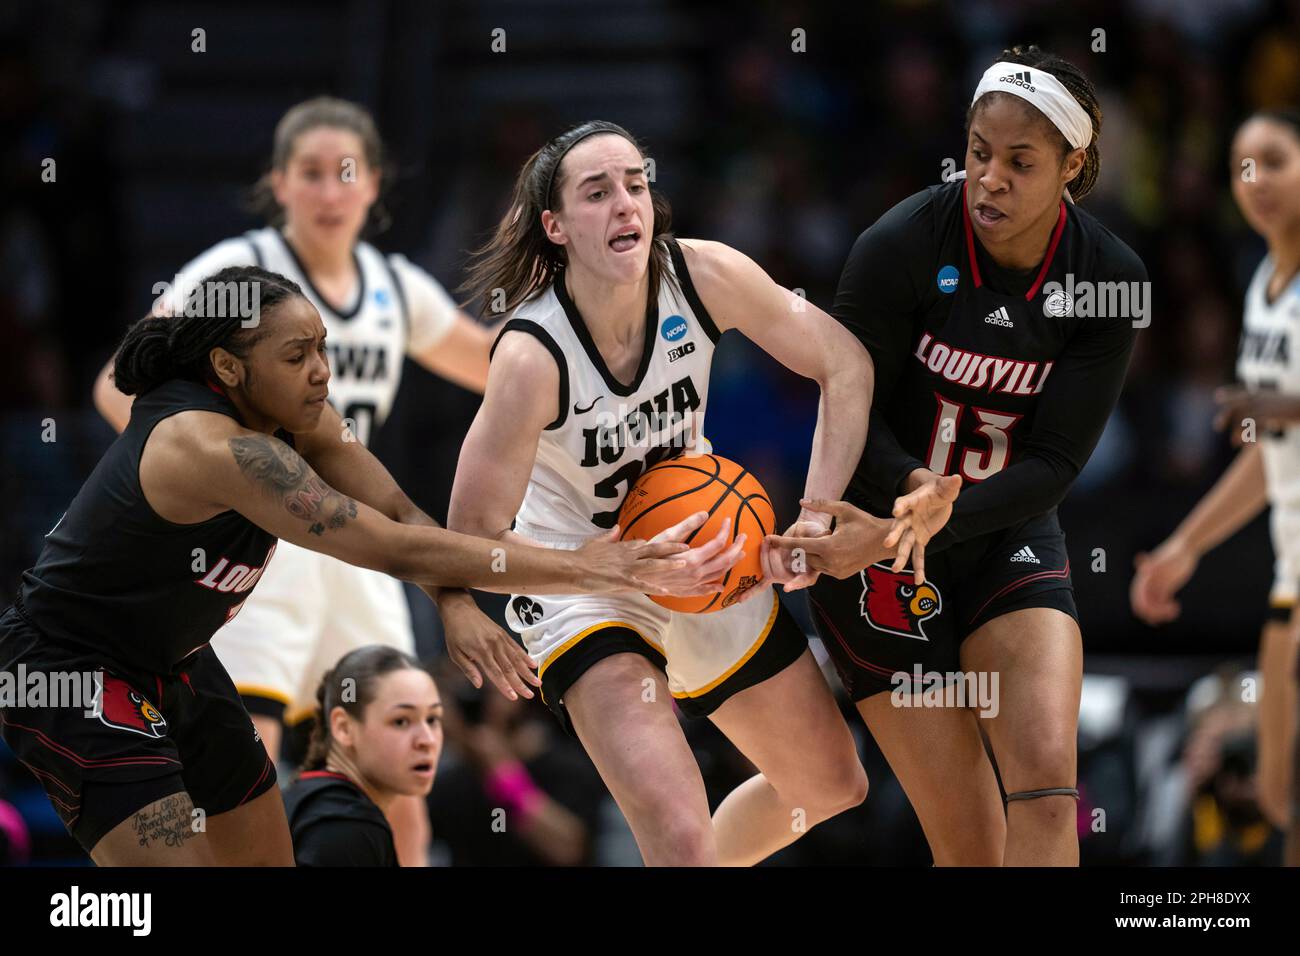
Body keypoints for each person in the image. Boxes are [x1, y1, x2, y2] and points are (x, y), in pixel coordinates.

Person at [0, 266, 711, 865]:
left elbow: (402, 512)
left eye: (322, 348)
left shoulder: (297, 412)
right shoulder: (214, 448)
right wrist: (591, 569)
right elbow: (390, 547)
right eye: (296, 356)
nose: (321, 373)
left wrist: (456, 605)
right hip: (68, 669)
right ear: (227, 367)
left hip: (177, 659)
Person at [449, 120, 875, 867]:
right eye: (597, 191)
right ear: (555, 227)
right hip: (582, 587)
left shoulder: (704, 276)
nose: (625, 204)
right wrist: (600, 568)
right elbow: (470, 537)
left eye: (636, 184)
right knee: (679, 838)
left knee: (832, 783)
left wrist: (812, 518)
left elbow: (845, 366)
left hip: (703, 553)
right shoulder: (530, 355)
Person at [90, 96, 502, 864]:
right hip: (261, 544)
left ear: (375, 184)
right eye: (308, 173)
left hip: (358, 545)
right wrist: (200, 475)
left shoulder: (393, 285)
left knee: (401, 782)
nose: (328, 190)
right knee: (248, 766)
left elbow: (496, 368)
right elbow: (118, 385)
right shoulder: (236, 275)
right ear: (278, 184)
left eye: (345, 173)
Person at [770, 46, 1148, 866]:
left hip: (1004, 531)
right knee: (973, 846)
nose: (990, 178)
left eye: (1020, 162)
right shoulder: (900, 243)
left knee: (1048, 787)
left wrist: (944, 510)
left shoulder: (1107, 279)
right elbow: (848, 405)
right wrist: (911, 490)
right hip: (875, 551)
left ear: (1072, 166)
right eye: (979, 153)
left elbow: (1054, 462)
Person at [1131, 109, 1300, 856]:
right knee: (1278, 791)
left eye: (1275, 161)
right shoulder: (1265, 281)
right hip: (1290, 570)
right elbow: (1271, 453)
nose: (1256, 181)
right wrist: (1183, 547)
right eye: (1242, 166)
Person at [284, 646, 441, 867]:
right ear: (344, 727)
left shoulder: (307, 797)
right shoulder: (348, 828)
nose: (427, 740)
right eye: (401, 721)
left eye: (433, 719)